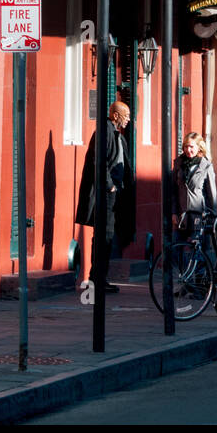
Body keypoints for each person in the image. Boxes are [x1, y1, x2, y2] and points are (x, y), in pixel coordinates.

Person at [75, 100, 135, 293]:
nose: (128, 120)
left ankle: (100, 278)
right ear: (115, 115)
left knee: (108, 236)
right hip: (106, 195)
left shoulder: (118, 136)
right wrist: (110, 186)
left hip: (116, 195)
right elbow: (98, 162)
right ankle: (96, 280)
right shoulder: (104, 132)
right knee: (103, 236)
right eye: (126, 116)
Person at [173, 132, 217, 242]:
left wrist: (212, 215)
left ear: (199, 147)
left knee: (196, 247)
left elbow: (211, 194)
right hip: (181, 215)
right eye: (186, 146)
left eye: (191, 147)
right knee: (176, 247)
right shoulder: (178, 163)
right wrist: (173, 213)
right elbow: (174, 190)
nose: (188, 150)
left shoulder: (206, 166)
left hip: (198, 215)